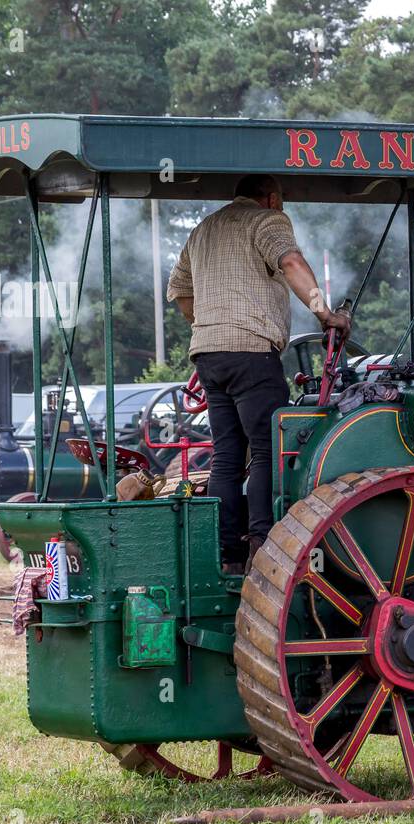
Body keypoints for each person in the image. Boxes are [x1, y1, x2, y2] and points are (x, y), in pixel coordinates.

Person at [167, 174, 350, 574]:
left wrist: (212, 325)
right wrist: (325, 314)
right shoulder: (267, 221)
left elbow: (180, 292)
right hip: (251, 350)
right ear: (271, 199)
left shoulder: (203, 230)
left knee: (228, 458)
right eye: (281, 202)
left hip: (209, 356)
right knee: (270, 449)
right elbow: (291, 262)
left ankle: (228, 555)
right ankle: (263, 545)